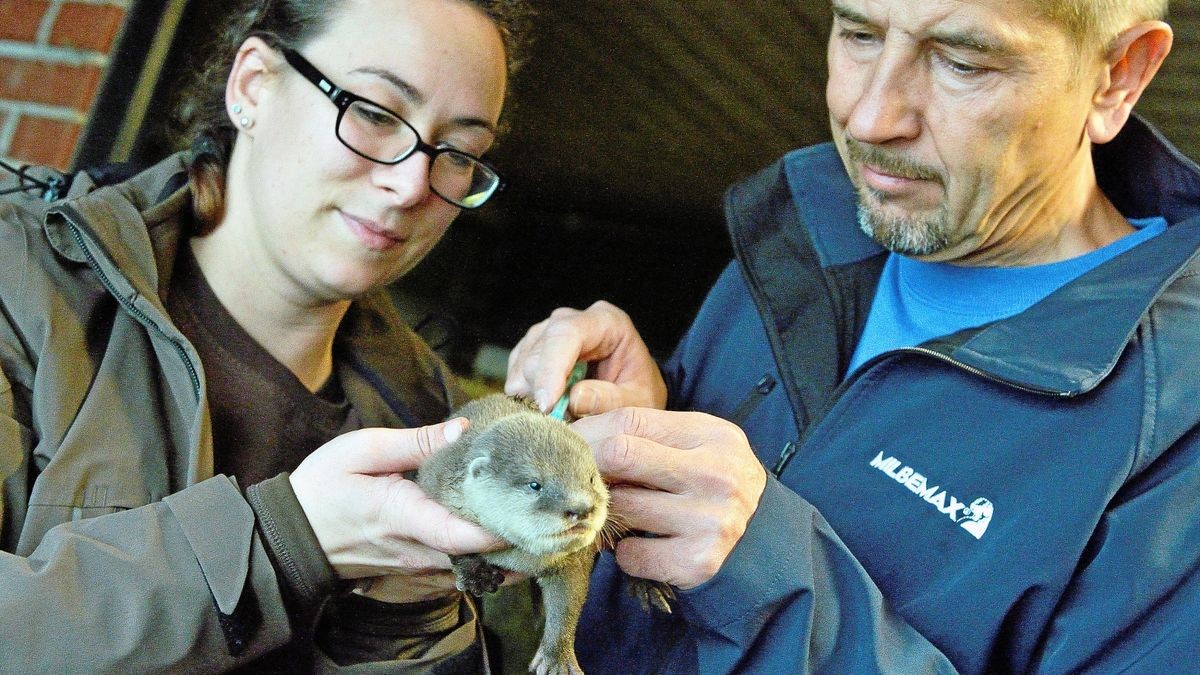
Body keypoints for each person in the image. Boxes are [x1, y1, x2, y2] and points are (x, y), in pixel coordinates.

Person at [507, 0, 1199, 672]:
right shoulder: (805, 235)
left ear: (1119, 76)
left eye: (961, 62)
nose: (868, 116)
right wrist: (643, 418)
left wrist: (766, 579)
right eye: (859, 33)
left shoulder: (1176, 426)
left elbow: (743, 553)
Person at [0, 0, 533, 670]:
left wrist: (410, 618)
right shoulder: (22, 285)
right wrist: (283, 543)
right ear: (254, 84)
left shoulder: (433, 417)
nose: (409, 184)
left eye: (457, 153)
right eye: (373, 112)